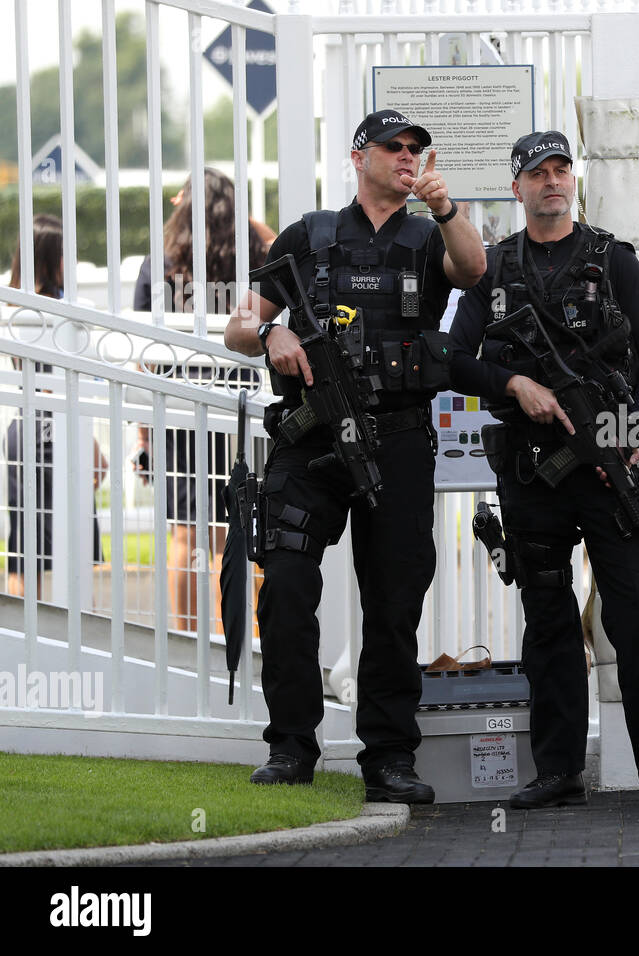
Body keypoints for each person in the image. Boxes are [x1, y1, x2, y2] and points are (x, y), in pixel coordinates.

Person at [224, 109, 486, 801]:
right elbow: (237, 325)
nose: (406, 157)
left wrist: (448, 206)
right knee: (284, 583)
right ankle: (291, 748)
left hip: (397, 440)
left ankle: (390, 759)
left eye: (416, 149)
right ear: (358, 155)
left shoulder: (430, 236)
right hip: (310, 438)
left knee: (395, 601)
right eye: (393, 147)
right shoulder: (308, 237)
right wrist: (272, 332)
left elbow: (474, 267)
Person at [447, 131, 639, 809]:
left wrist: (635, 424)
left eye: (561, 170)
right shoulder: (493, 267)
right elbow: (453, 355)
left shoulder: (611, 258)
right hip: (532, 474)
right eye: (538, 173)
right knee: (549, 620)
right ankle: (558, 772)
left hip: (608, 467)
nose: (552, 182)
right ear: (517, 185)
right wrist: (513, 385)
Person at [133, 168, 270, 633]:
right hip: (241, 409)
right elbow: (282, 247)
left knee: (188, 533)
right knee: (248, 530)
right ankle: (252, 640)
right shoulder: (251, 258)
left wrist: (144, 432)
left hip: (180, 411)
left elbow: (144, 353)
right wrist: (243, 219)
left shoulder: (162, 263)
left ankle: (187, 640)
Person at [4, 214, 107, 598]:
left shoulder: (15, 305)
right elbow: (58, 391)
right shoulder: (53, 313)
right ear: (49, 259)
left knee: (25, 547)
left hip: (25, 431)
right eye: (67, 255)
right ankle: (78, 640)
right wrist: (92, 448)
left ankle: (25, 637)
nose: (73, 264)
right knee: (72, 541)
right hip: (51, 433)